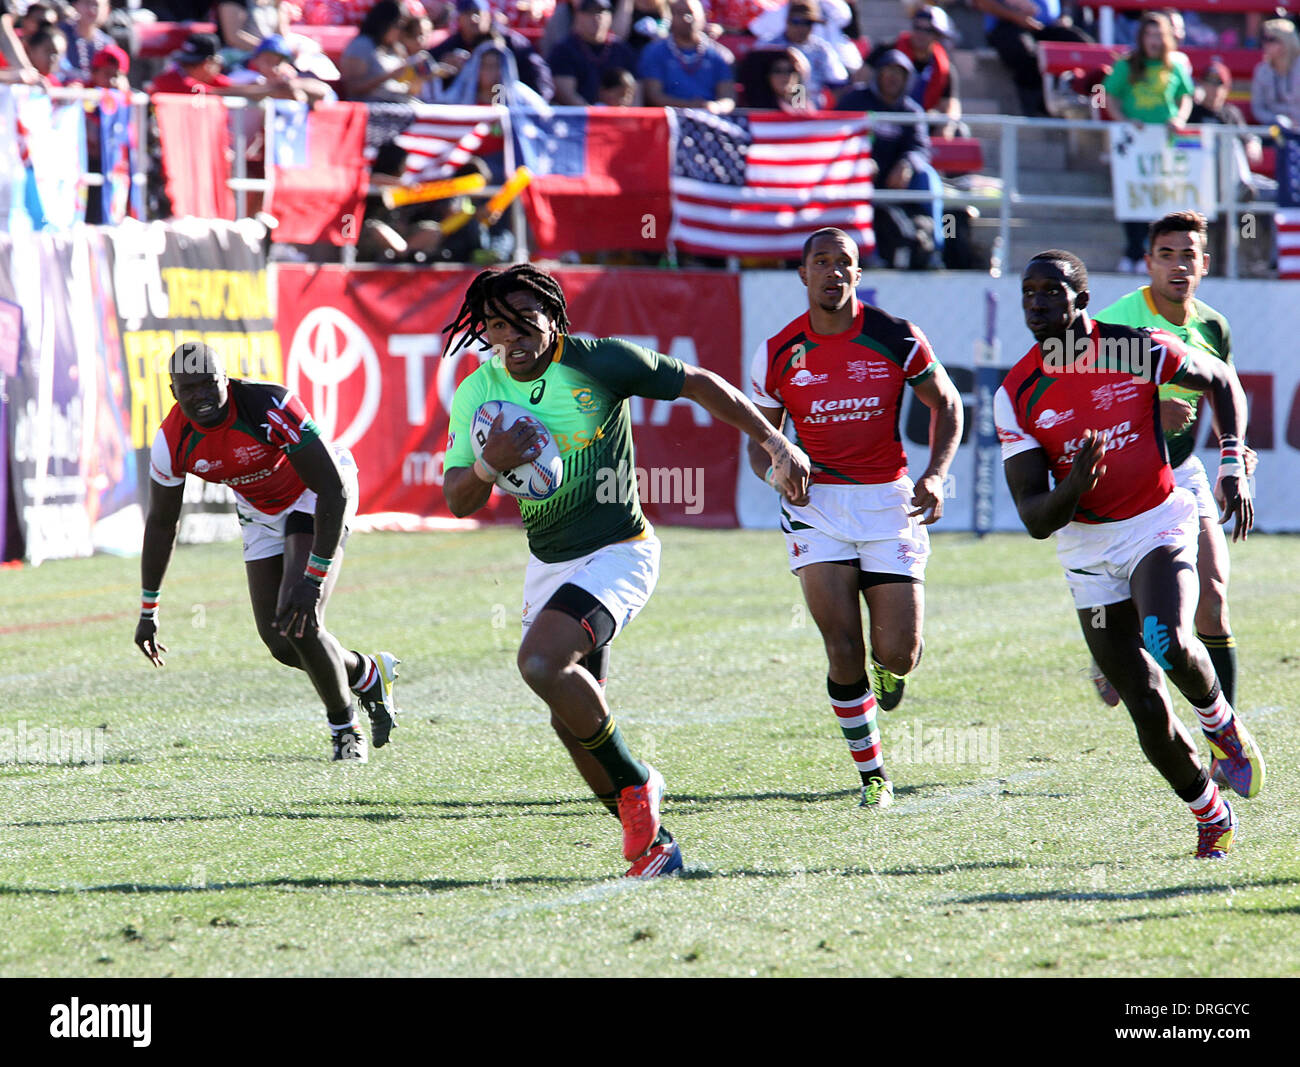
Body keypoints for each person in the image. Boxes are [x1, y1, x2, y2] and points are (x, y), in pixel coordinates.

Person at [440, 264, 811, 877]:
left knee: (539, 663)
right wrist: (488, 466)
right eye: (498, 328)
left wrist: (775, 441)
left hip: (620, 552)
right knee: (570, 720)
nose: (515, 339)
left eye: (526, 322)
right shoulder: (477, 392)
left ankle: (638, 788)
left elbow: (697, 382)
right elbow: (458, 499)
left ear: (553, 318)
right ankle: (650, 842)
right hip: (548, 564)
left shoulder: (597, 361)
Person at [996, 249, 1264, 858]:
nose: (1037, 302)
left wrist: (1232, 463)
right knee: (1141, 703)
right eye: (1028, 292)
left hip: (1156, 522)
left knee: (1165, 637)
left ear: (1081, 300)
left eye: (1052, 291)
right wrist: (1075, 485)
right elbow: (1036, 517)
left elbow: (1220, 380)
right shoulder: (1017, 392)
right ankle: (1210, 813)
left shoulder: (1132, 348)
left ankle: (1220, 721)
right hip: (1085, 548)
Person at [746, 228, 962, 808]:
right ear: (803, 274)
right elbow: (757, 443)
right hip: (817, 508)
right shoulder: (777, 351)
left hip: (890, 504)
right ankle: (874, 776)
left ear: (858, 275)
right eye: (822, 262)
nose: (833, 272)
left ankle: (889, 671)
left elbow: (947, 404)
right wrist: (777, 474)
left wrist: (936, 474)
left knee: (897, 653)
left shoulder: (896, 336)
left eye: (845, 263)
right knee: (841, 646)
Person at [135, 342, 401, 764]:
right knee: (279, 642)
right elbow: (163, 523)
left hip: (315, 493)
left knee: (299, 619)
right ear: (173, 392)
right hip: (259, 510)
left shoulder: (270, 404)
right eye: (189, 388)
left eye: (209, 384)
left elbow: (330, 487)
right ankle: (365, 673)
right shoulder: (171, 441)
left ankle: (344, 729)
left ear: (227, 380)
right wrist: (148, 609)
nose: (200, 395)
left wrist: (312, 580)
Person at [1088, 212, 1257, 729]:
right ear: (1149, 263)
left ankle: (1223, 742)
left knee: (1215, 598)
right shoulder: (1117, 321)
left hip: (1182, 470)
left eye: (1188, 255)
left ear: (1204, 264)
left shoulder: (1212, 326)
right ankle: (1115, 643)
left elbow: (1226, 388)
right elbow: (1083, 402)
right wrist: (1145, 412)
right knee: (1148, 610)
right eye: (1167, 255)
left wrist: (1235, 453)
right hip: (1124, 478)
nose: (1178, 265)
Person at [1102, 11, 1194, 273]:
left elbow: (1184, 96)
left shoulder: (1175, 65)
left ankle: (1150, 253)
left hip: (1164, 144)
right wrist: (1124, 120)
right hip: (1134, 143)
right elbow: (1107, 95)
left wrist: (1179, 118)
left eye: (1158, 35)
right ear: (1141, 38)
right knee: (1133, 196)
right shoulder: (1127, 64)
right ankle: (1132, 252)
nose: (1154, 41)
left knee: (1160, 200)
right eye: (1149, 35)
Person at [837, 50, 943, 270]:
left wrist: (908, 163)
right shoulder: (855, 99)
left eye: (899, 73)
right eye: (888, 71)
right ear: (877, 74)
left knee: (928, 177)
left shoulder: (911, 110)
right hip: (856, 174)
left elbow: (921, 147)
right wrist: (860, 159)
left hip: (897, 179)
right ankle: (867, 253)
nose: (892, 77)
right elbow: (834, 134)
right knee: (858, 179)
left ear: (907, 79)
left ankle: (934, 249)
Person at [971, 0, 1093, 117]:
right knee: (1024, 53)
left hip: (1048, 27)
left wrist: (1065, 16)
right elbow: (983, 3)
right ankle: (1036, 109)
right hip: (1008, 25)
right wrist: (1016, 17)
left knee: (1084, 47)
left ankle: (1092, 103)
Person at [430, 0, 553, 103]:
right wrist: (441, 70)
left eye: (477, 13)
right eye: (468, 14)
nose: (474, 19)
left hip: (510, 106)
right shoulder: (448, 48)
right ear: (459, 18)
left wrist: (529, 108)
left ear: (488, 15)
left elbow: (540, 80)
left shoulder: (513, 44)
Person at [868, 4, 963, 136]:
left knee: (959, 131)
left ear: (937, 35)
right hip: (883, 114)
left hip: (919, 121)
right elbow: (861, 81)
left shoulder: (944, 67)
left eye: (928, 30)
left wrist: (946, 127)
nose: (921, 34)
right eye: (918, 28)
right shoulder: (887, 50)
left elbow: (951, 106)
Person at [637, 0, 734, 113]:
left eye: (690, 13)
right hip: (669, 120)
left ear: (704, 16)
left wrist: (715, 107)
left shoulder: (719, 54)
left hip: (711, 120)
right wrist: (691, 107)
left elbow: (728, 97)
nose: (686, 18)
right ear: (670, 17)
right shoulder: (654, 52)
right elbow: (654, 96)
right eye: (679, 13)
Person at [548, 0, 637, 106]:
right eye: (589, 12)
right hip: (580, 119)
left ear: (610, 17)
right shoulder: (564, 50)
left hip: (618, 118)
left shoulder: (622, 50)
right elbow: (566, 94)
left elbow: (636, 94)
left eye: (601, 12)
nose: (596, 17)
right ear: (578, 16)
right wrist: (596, 118)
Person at [757, 0, 846, 103]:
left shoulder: (822, 49)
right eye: (796, 21)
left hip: (812, 110)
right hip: (774, 108)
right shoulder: (768, 46)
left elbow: (838, 83)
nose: (801, 28)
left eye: (807, 23)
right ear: (787, 21)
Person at [1250, 18, 1300, 133]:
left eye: (1271, 40)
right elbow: (1258, 108)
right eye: (1264, 39)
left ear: (1286, 41)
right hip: (1274, 130)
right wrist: (1274, 119)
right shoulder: (1262, 70)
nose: (1265, 44)